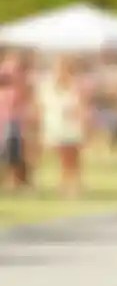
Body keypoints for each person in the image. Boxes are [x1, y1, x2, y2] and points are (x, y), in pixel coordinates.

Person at [38, 56, 87, 199]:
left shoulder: (75, 86)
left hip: (72, 126)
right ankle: (65, 185)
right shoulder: (48, 86)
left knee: (74, 158)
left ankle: (74, 184)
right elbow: (43, 106)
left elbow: (81, 106)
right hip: (56, 126)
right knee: (63, 158)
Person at [0, 51, 33, 190]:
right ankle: (9, 180)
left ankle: (16, 180)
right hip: (5, 120)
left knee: (15, 152)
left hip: (15, 121)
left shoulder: (18, 86)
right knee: (7, 152)